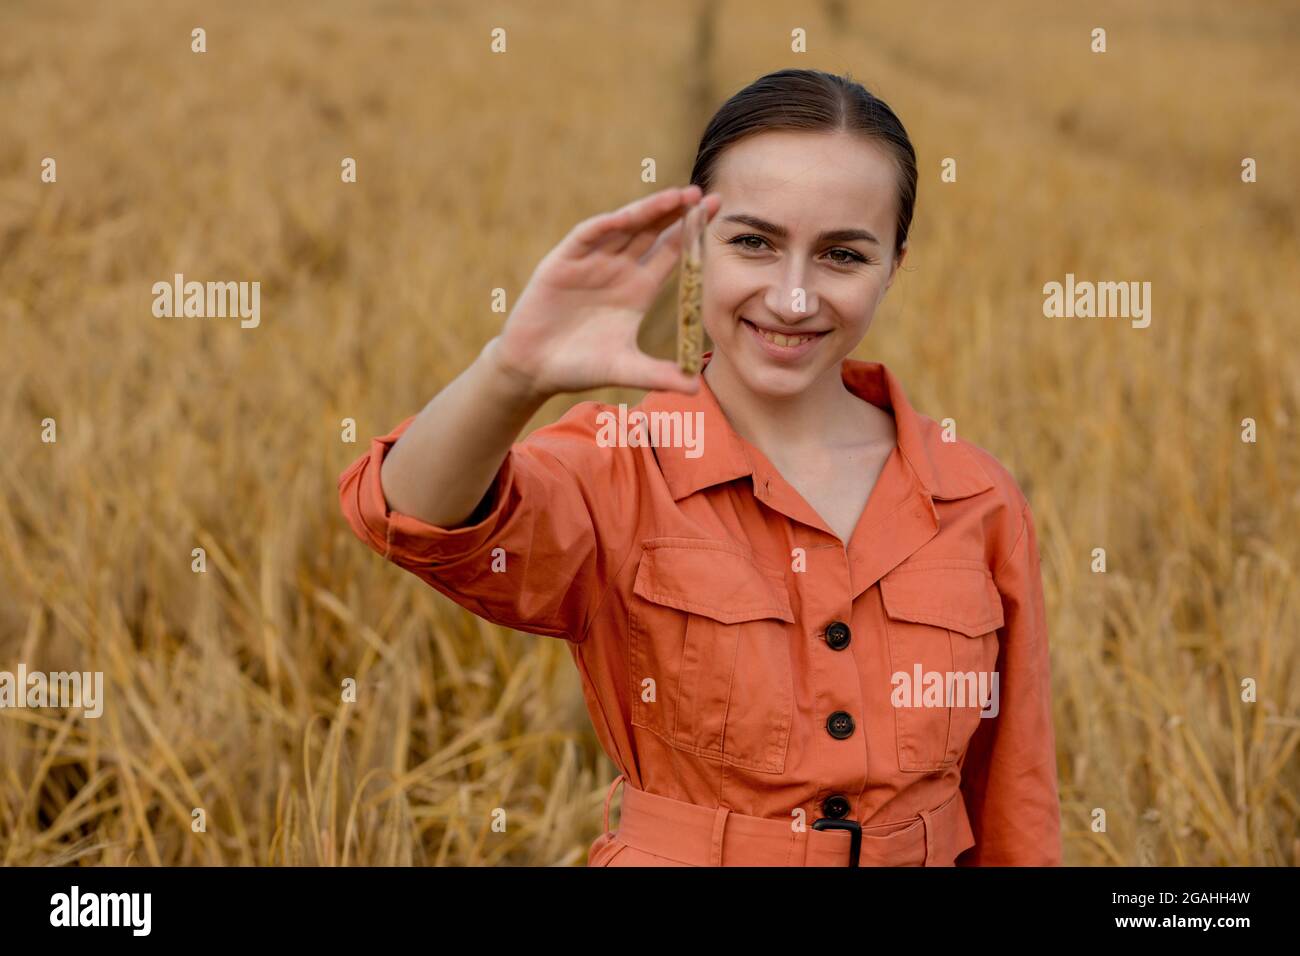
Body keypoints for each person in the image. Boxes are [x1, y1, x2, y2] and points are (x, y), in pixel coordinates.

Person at [338, 68, 1061, 866]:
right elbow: (409, 516)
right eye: (754, 242)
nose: (791, 298)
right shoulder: (620, 470)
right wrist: (513, 372)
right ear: (694, 243)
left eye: (842, 255)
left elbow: (1013, 795)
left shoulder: (975, 497)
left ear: (896, 262)